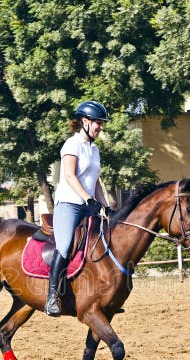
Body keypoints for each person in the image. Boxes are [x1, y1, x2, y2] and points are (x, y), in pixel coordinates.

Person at [45, 100, 112, 317]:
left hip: (88, 206)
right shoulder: (71, 145)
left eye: (102, 123)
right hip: (69, 205)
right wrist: (87, 199)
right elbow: (69, 176)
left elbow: (96, 181)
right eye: (98, 123)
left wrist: (105, 204)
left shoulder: (94, 149)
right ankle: (52, 297)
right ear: (84, 121)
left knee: (104, 243)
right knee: (64, 247)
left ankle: (105, 295)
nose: (100, 127)